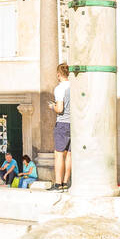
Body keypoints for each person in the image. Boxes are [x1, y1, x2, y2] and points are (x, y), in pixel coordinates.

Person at [49, 62, 71, 190]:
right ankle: (65, 182)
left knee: (59, 154)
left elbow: (60, 108)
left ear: (58, 75)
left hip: (63, 123)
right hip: (74, 124)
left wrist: (53, 106)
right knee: (69, 155)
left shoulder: (60, 88)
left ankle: (58, 183)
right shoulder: (74, 87)